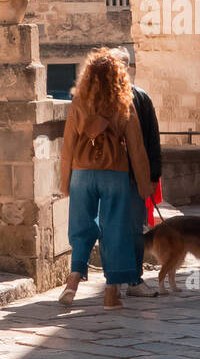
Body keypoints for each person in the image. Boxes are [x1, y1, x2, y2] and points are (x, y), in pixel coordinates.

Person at [58, 48, 153, 309]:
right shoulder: (124, 101)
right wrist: (145, 185)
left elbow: (68, 145)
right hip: (115, 173)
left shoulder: (79, 101)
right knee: (115, 230)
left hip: (82, 172)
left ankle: (73, 281)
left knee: (80, 227)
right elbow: (136, 147)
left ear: (89, 75)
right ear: (118, 75)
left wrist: (65, 181)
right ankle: (111, 293)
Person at [113, 47, 161, 297]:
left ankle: (134, 279)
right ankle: (114, 280)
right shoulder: (100, 99)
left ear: (129, 68)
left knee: (134, 227)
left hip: (132, 177)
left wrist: (154, 175)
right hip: (109, 176)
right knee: (111, 228)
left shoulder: (141, 98)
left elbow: (152, 139)